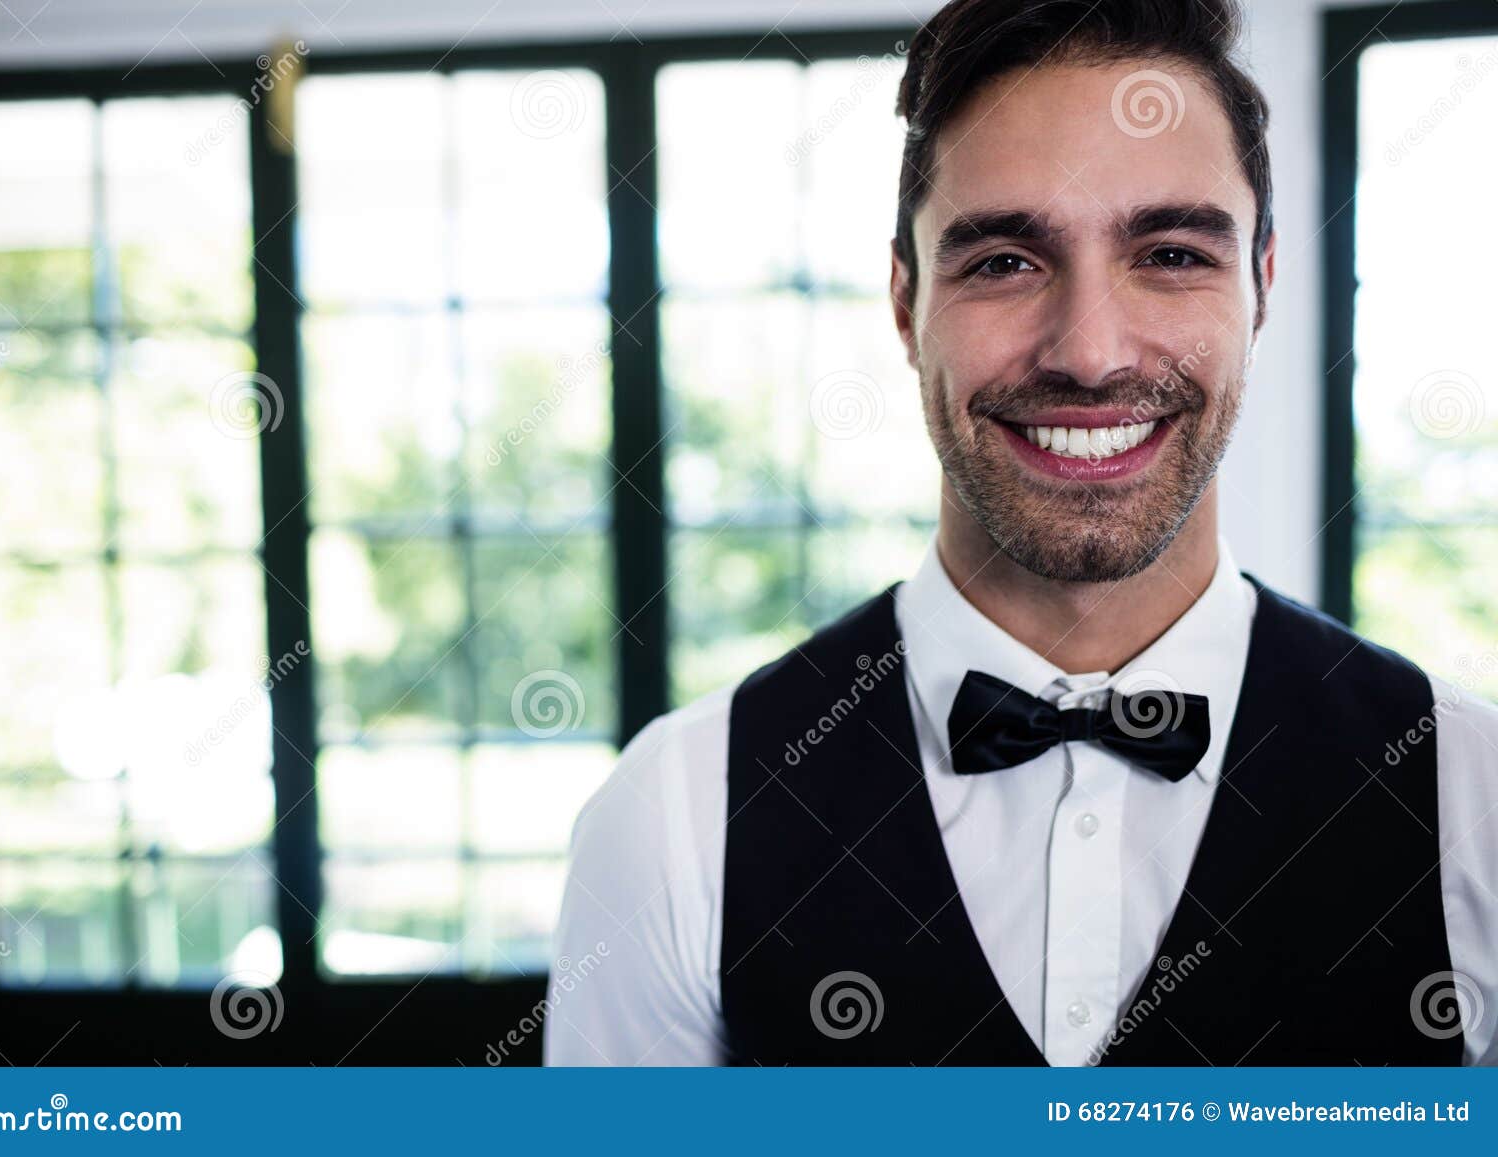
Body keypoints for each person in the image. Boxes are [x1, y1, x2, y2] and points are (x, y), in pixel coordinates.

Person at [544, 0, 1498, 1066]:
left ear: (1260, 287)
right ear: (906, 303)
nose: (1088, 353)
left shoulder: (1474, 794)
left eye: (1172, 252)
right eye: (1002, 260)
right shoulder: (672, 818)